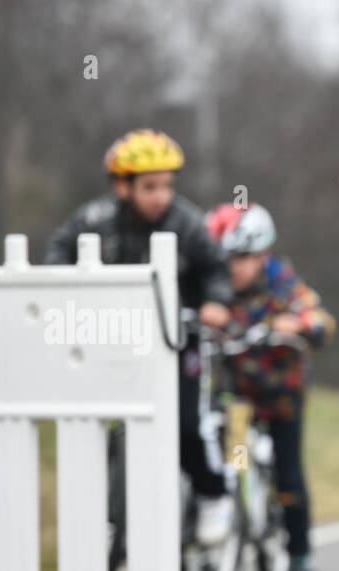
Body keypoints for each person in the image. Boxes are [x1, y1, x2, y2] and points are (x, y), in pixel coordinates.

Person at [45, 129, 237, 546]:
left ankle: (211, 494)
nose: (161, 197)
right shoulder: (94, 221)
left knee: (187, 424)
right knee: (96, 427)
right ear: (122, 186)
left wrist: (216, 303)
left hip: (178, 343)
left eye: (168, 186)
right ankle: (107, 524)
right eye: (149, 187)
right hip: (115, 344)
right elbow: (58, 254)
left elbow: (217, 269)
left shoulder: (187, 223)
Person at [205, 202, 336, 571]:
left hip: (281, 395)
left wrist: (297, 324)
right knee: (229, 462)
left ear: (263, 254)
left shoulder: (283, 283)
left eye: (242, 258)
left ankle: (300, 556)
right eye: (227, 258)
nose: (234, 267)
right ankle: (223, 540)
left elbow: (320, 319)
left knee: (288, 475)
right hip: (235, 397)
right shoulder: (216, 288)